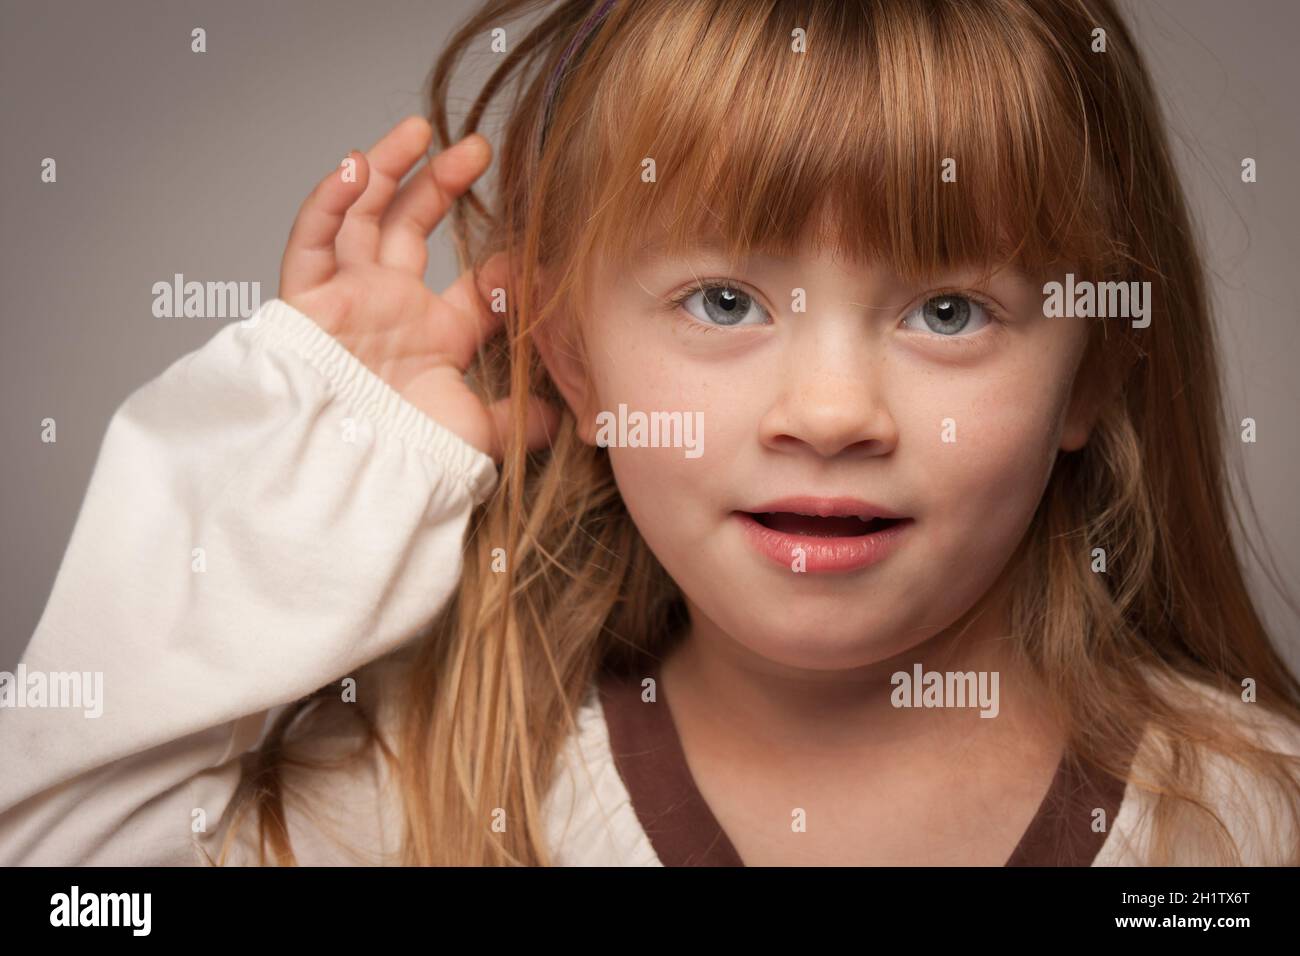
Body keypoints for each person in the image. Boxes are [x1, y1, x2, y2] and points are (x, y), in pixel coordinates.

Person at [2, 0, 1298, 867]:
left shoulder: (1249, 827)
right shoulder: (418, 808)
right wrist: (300, 457)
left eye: (949, 310)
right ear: (566, 344)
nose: (833, 415)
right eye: (725, 302)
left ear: (1088, 378)